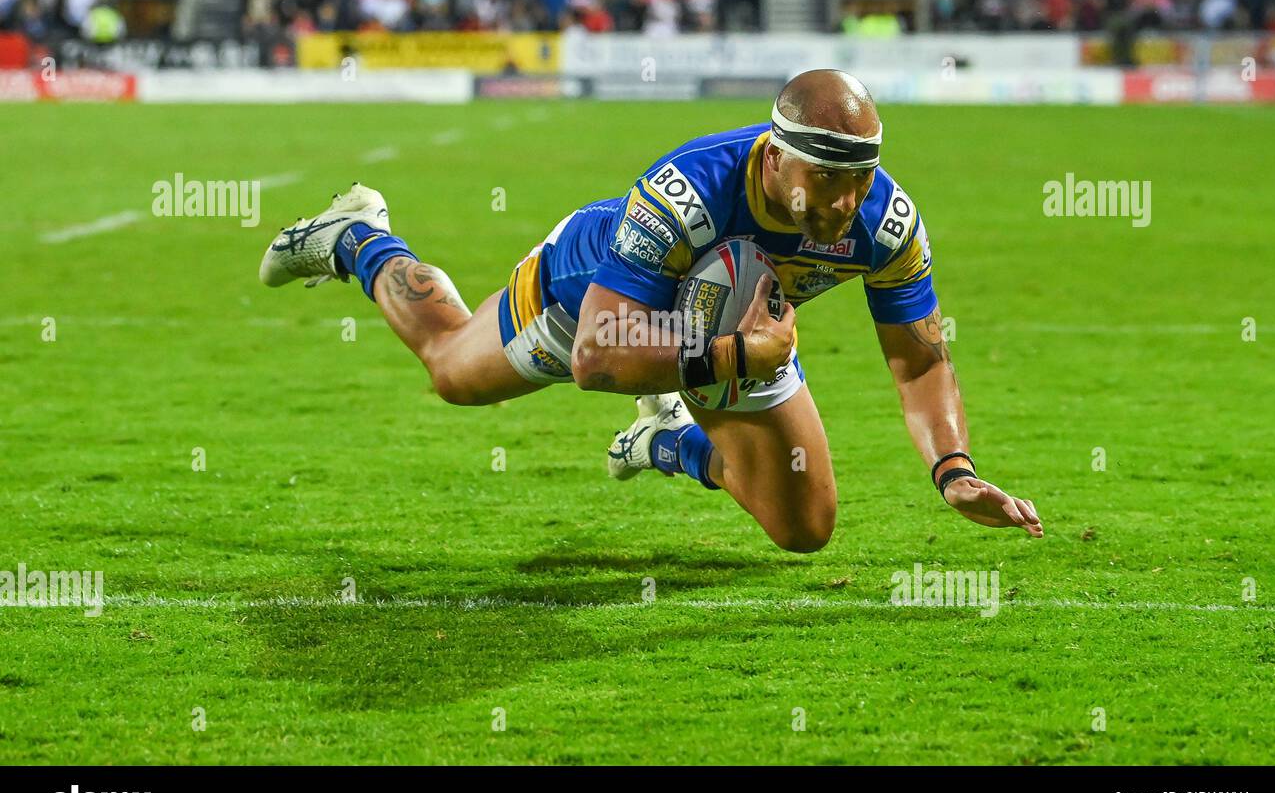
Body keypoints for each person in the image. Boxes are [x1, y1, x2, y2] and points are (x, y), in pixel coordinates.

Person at [258, 69, 1043, 552]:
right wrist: (737, 358)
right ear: (774, 159)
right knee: (451, 372)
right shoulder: (686, 192)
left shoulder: (886, 223)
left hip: (738, 322)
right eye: (826, 181)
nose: (844, 204)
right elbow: (599, 356)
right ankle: (356, 237)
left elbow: (921, 360)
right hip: (595, 293)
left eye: (860, 181)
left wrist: (955, 471)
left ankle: (669, 439)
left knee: (806, 530)